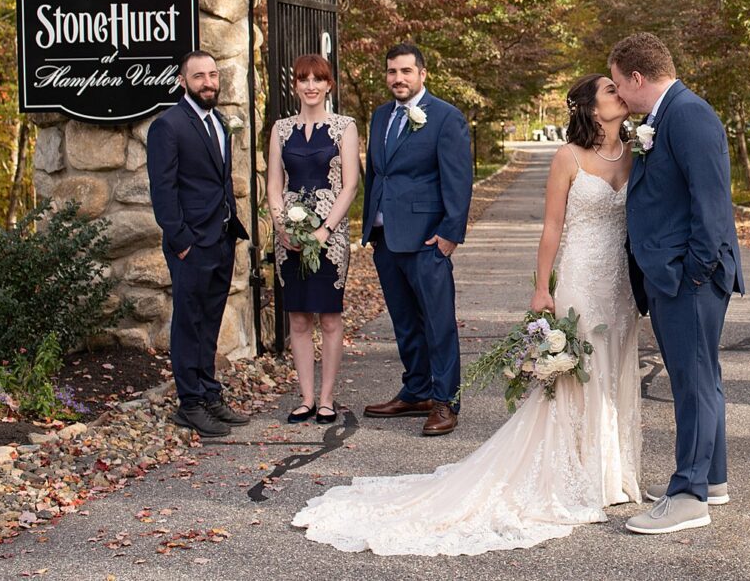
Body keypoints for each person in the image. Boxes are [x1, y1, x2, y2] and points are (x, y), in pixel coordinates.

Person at [293, 75, 643, 555]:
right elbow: (552, 228)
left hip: (619, 284)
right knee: (580, 375)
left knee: (614, 365)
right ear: (588, 106)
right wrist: (542, 288)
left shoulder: (634, 150)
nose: (619, 93)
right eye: (609, 89)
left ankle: (613, 471)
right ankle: (582, 472)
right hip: (582, 276)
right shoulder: (567, 157)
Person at [610, 32, 744, 536]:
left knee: (691, 384)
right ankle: (712, 480)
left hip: (689, 277)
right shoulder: (662, 116)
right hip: (677, 274)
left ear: (638, 78)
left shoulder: (687, 114)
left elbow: (711, 204)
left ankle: (687, 496)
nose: (619, 95)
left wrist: (693, 273)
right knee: (702, 377)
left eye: (621, 85)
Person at [359, 43, 473, 437]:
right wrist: (370, 229)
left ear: (422, 74)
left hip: (427, 239)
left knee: (438, 323)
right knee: (405, 322)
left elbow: (458, 179)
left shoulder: (446, 118)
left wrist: (449, 234)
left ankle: (445, 400)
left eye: (406, 71)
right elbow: (378, 174)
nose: (398, 78)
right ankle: (418, 390)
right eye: (392, 71)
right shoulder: (379, 117)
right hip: (386, 239)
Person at [145, 50, 251, 438]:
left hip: (221, 238)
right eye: (199, 76)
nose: (208, 82)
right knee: (189, 323)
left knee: (209, 323)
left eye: (212, 75)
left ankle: (210, 394)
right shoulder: (168, 126)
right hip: (191, 243)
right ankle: (189, 404)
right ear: (181, 80)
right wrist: (182, 241)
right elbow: (163, 190)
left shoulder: (219, 121)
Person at [266, 54, 360, 425]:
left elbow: (350, 184)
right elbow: (275, 184)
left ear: (328, 85)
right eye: (303, 79)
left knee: (330, 318)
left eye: (317, 79)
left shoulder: (344, 127)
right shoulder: (280, 130)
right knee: (299, 319)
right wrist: (281, 226)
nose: (310, 86)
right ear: (295, 85)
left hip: (329, 233)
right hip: (289, 231)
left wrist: (324, 231)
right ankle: (305, 397)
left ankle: (326, 399)